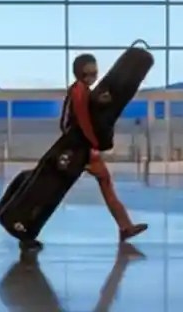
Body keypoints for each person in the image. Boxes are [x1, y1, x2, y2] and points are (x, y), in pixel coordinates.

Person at [62, 53, 148, 243]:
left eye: (94, 72)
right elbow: (83, 121)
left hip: (81, 147)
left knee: (105, 184)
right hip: (81, 148)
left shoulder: (82, 90)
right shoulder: (79, 91)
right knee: (102, 184)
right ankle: (125, 227)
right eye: (88, 72)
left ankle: (125, 226)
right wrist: (93, 145)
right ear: (79, 72)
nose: (92, 76)